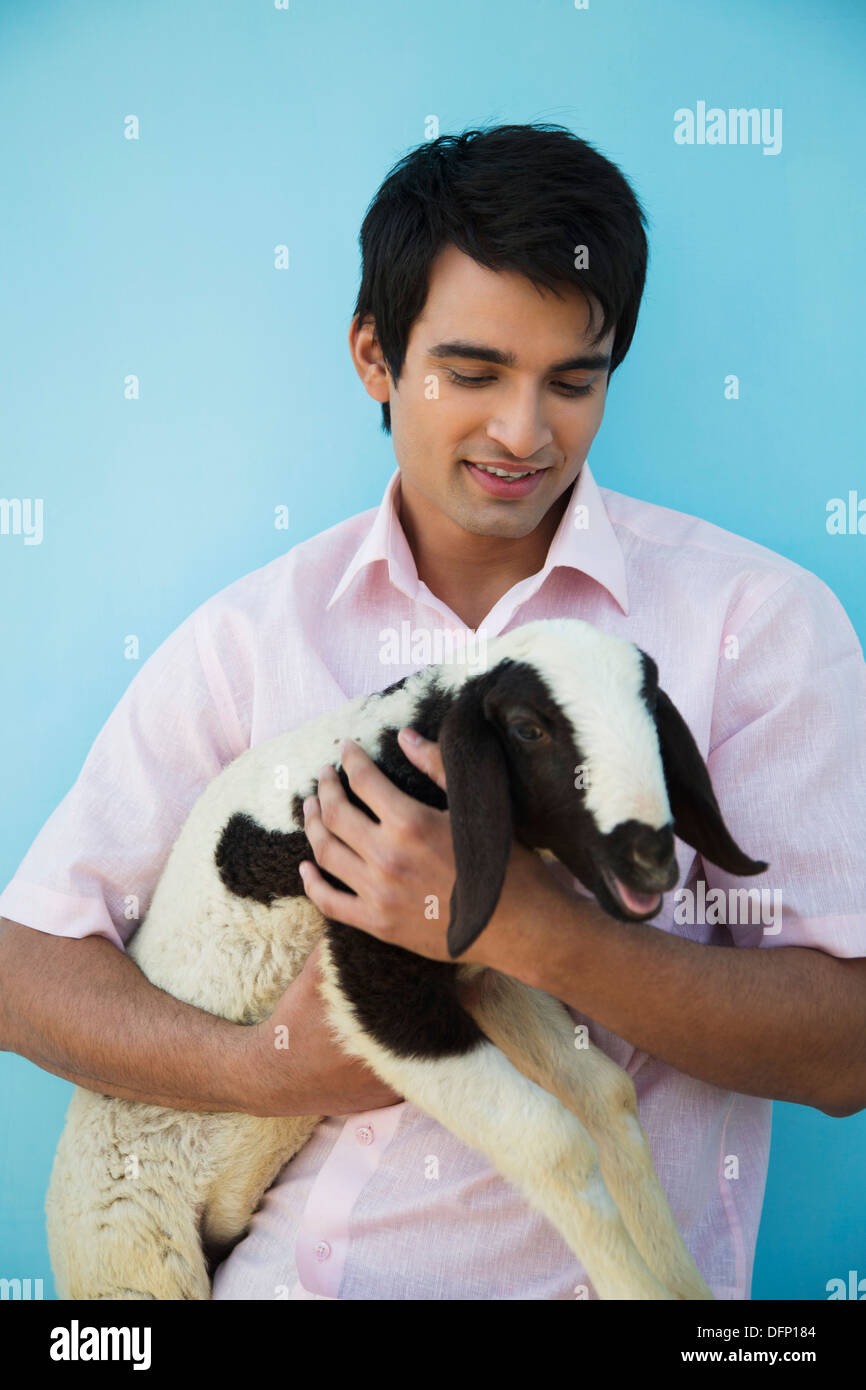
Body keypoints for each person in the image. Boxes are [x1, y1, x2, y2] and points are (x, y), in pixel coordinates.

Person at [1, 124, 864, 1302]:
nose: (525, 432)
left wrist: (524, 925)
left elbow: (845, 1045)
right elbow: (23, 968)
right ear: (372, 353)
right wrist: (267, 1068)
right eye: (471, 372)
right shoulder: (252, 638)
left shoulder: (754, 625)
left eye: (574, 379)